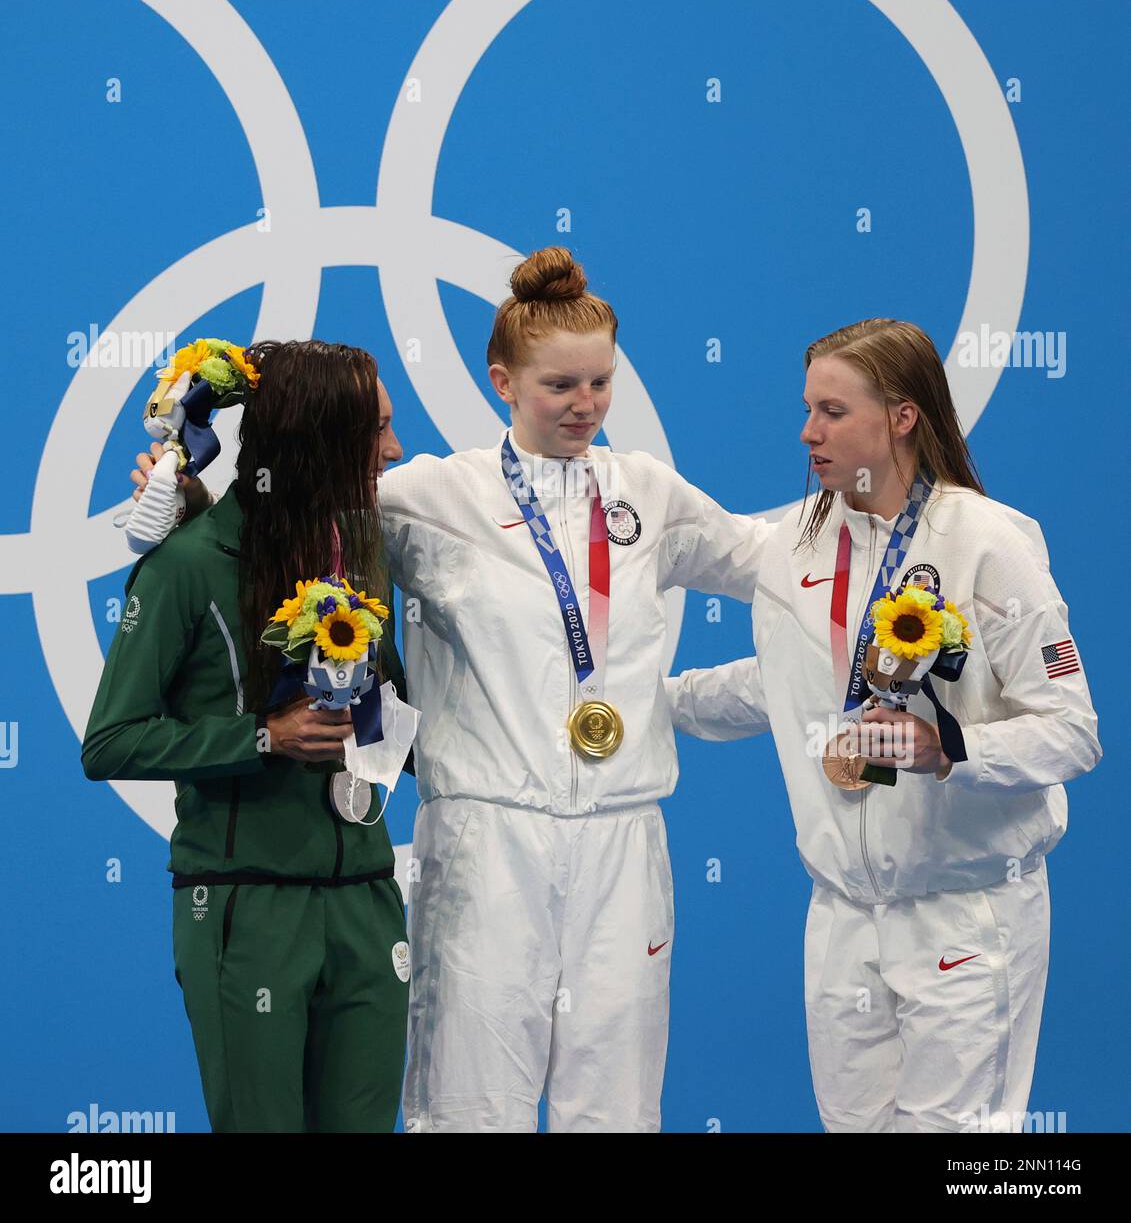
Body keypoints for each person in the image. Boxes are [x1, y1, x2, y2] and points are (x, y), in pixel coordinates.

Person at [666, 318, 1101, 1133]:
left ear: (901, 417)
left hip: (966, 916)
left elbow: (1072, 731)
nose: (807, 432)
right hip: (840, 918)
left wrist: (951, 750)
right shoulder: (798, 543)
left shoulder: (987, 543)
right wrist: (651, 705)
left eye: (831, 411)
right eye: (806, 409)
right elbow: (785, 686)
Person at [375, 246, 771, 1132]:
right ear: (501, 381)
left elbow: (769, 563)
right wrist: (177, 498)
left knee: (617, 1103)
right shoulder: (431, 496)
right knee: (467, 1101)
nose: (584, 405)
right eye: (559, 386)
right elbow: (292, 522)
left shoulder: (648, 494)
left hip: (623, 837)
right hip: (486, 837)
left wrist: (913, 534)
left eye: (600, 382)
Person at [82, 340, 410, 1132]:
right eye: (374, 431)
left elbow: (394, 711)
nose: (395, 452)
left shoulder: (363, 554)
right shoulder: (184, 567)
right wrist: (262, 737)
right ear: (315, 441)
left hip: (366, 900)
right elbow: (111, 741)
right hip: (245, 906)